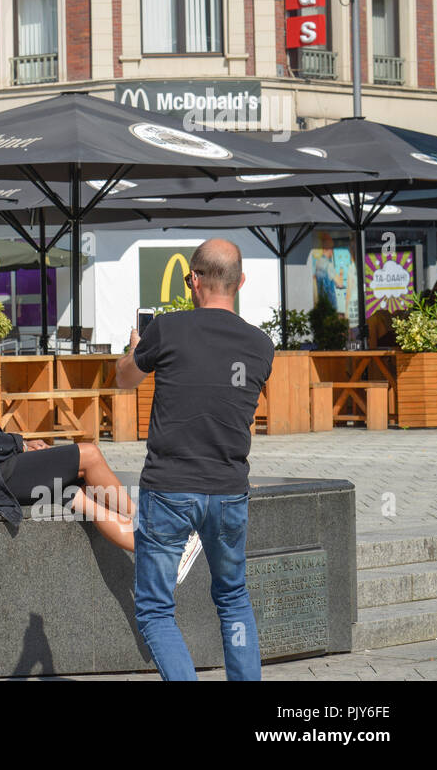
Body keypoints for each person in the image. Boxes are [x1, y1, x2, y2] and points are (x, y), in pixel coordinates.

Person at [115, 238, 274, 681]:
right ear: (240, 282)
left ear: (194, 280)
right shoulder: (262, 345)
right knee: (233, 599)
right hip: (228, 490)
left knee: (155, 610)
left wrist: (135, 348)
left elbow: (124, 380)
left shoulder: (166, 330)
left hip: (170, 488)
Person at [0, 319, 136, 551]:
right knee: (88, 453)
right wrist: (22, 445)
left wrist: (24, 445)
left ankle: (156, 555)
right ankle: (152, 529)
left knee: (80, 496)